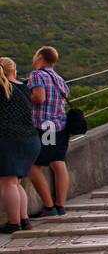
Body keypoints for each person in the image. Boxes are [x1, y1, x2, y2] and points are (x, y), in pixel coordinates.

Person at [26, 46, 70, 218]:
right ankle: (60, 205)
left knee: (32, 166)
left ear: (40, 57)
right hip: (60, 125)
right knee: (58, 162)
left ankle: (49, 206)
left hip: (45, 126)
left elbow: (39, 97)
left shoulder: (37, 75)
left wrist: (24, 98)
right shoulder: (59, 78)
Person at [0, 57, 40, 234]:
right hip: (31, 139)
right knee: (16, 182)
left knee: (7, 182)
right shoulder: (20, 88)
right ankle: (24, 220)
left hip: (10, 138)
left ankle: (13, 223)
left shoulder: (3, 88)